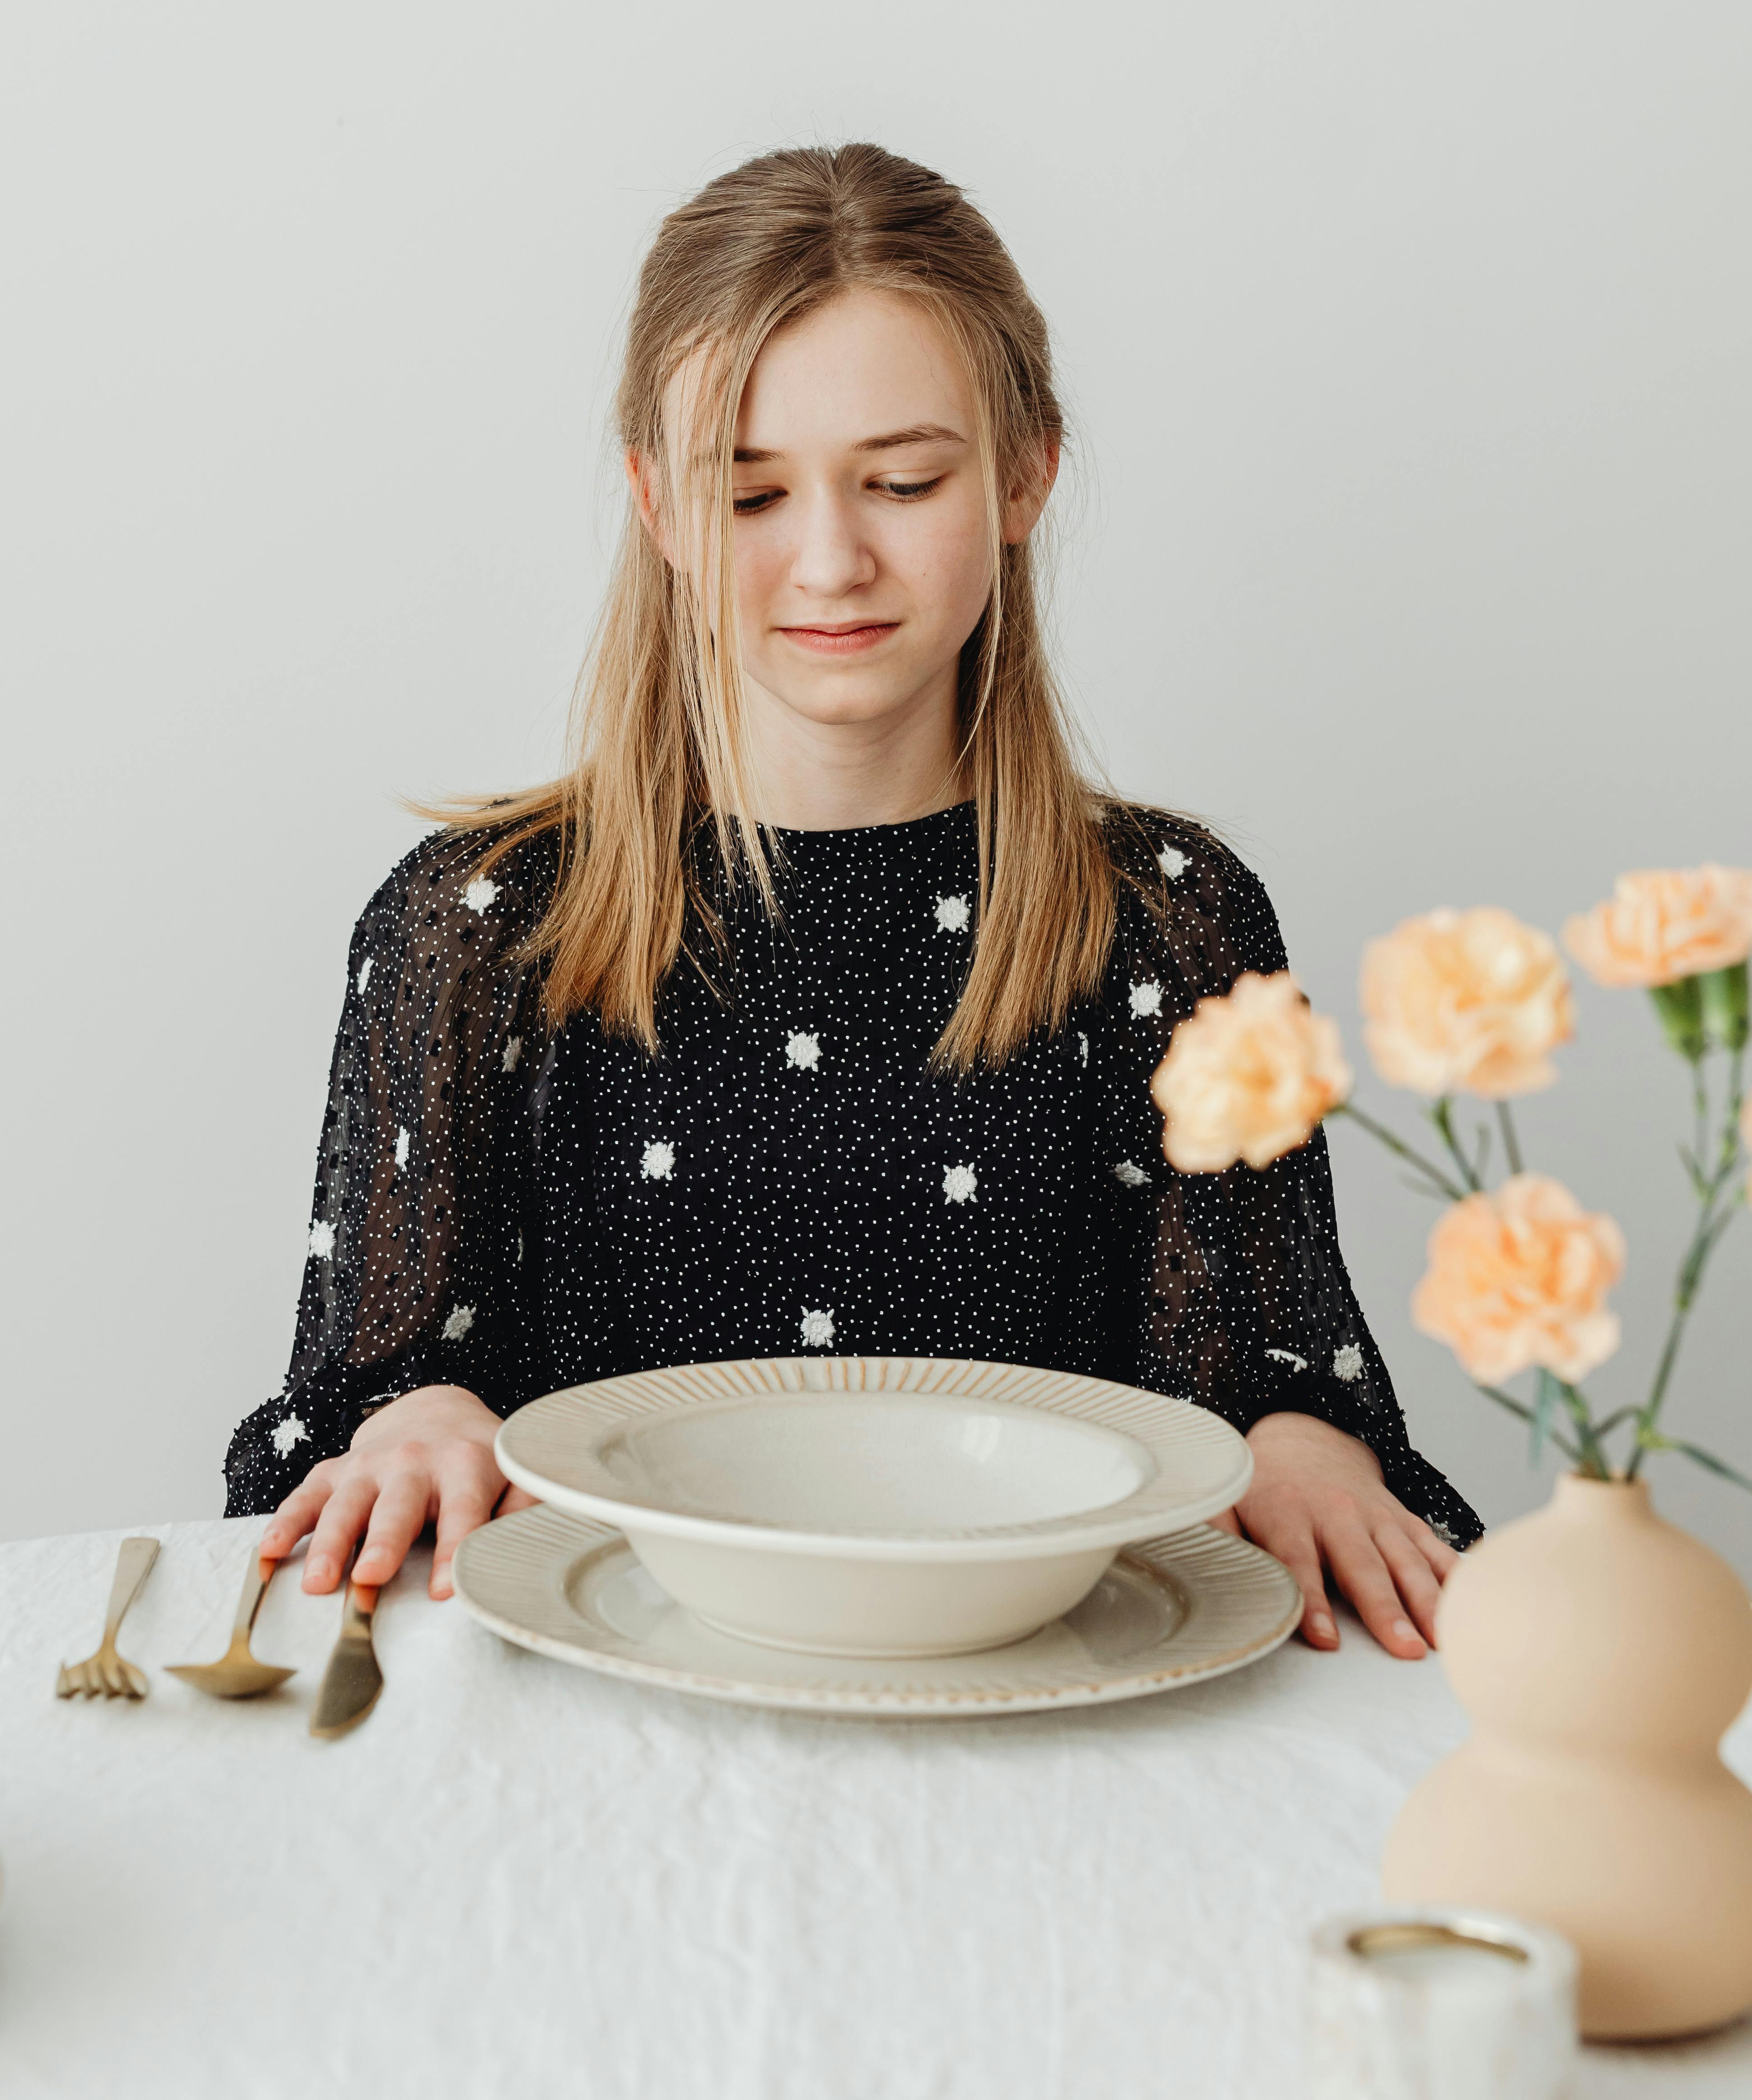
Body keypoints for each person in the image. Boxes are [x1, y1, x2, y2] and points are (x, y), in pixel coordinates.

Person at [227, 143, 1478, 1656]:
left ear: (1025, 471)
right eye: (748, 491)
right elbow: (358, 1398)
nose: (829, 558)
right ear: (656, 506)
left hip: (1046, 1721)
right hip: (603, 1717)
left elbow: (1267, 1374)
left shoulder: (1173, 921)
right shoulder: (474, 923)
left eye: (902, 479)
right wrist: (411, 1410)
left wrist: (1300, 1439)